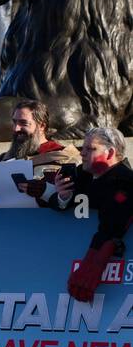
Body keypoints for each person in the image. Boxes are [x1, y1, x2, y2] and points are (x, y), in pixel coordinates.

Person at [50, 127, 133, 303]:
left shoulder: (126, 182)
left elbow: (112, 226)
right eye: (83, 148)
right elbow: (55, 202)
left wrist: (93, 263)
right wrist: (62, 196)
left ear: (110, 153)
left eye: (90, 149)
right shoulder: (82, 174)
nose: (82, 154)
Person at [0, 99, 80, 173]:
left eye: (23, 123)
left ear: (41, 126)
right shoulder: (1, 160)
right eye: (15, 122)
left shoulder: (62, 157)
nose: (16, 129)